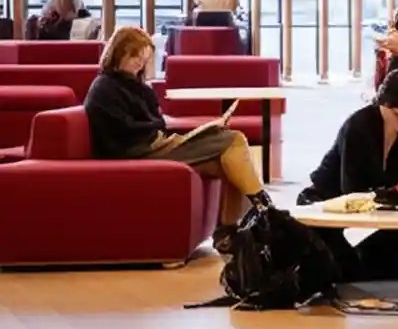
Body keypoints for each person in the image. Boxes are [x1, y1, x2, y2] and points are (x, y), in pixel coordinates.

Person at [83, 26, 271, 249]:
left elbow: (154, 121)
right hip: (138, 151)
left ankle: (229, 234)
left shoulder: (136, 85)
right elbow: (126, 130)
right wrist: (157, 126)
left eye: (143, 59)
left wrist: (159, 125)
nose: (139, 64)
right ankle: (264, 207)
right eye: (135, 57)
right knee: (233, 139)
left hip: (153, 144)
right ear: (118, 53)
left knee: (225, 163)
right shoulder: (104, 87)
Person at [297, 68, 398, 281]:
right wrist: (392, 192)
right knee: (348, 271)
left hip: (381, 207)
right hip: (330, 204)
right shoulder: (358, 127)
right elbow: (351, 190)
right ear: (383, 103)